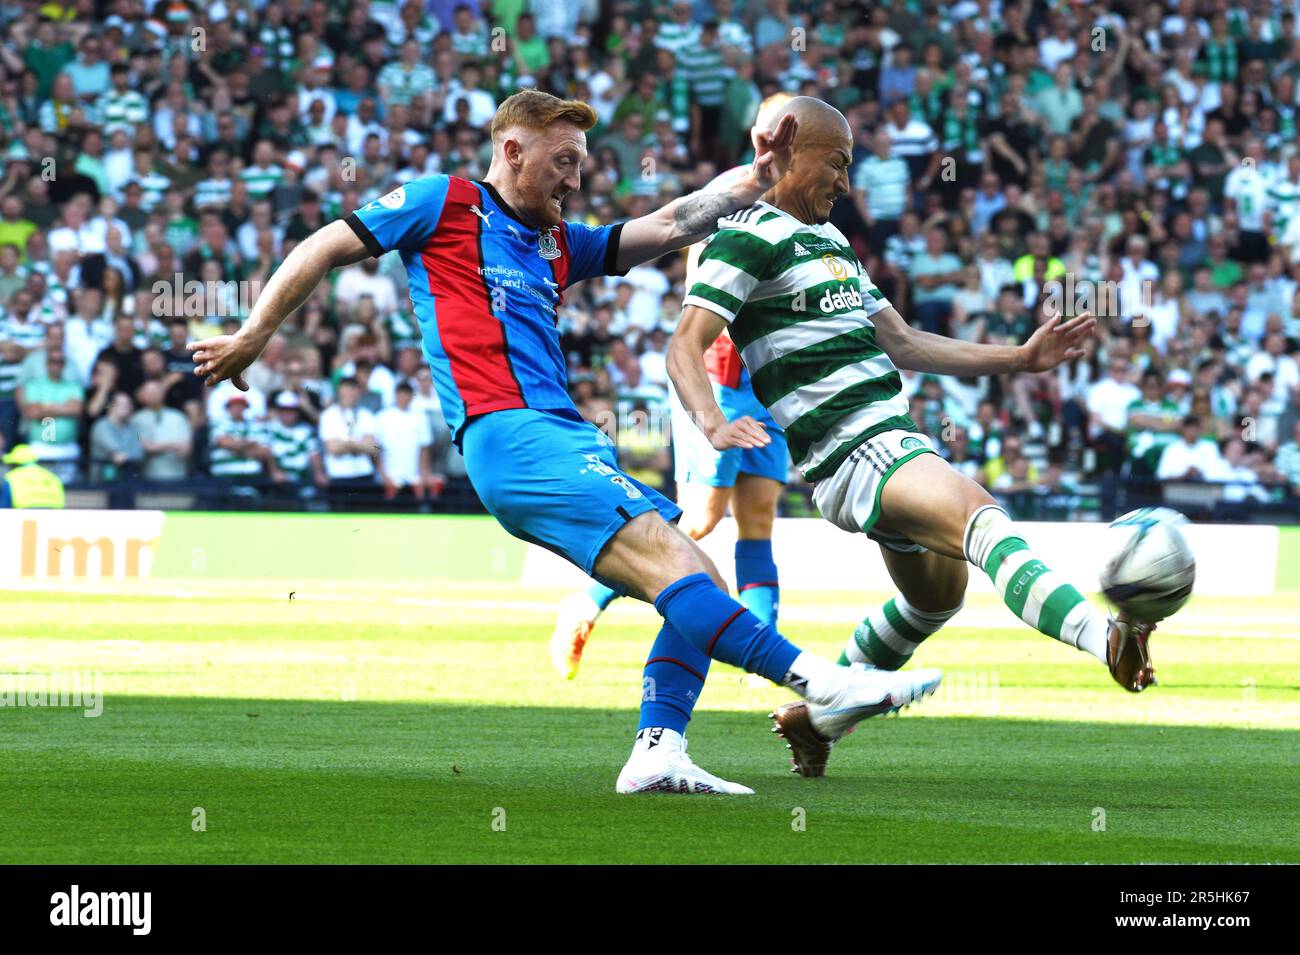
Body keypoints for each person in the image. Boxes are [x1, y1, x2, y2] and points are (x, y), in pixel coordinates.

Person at [190, 89, 942, 796]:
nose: (576, 181)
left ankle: (659, 748)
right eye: (564, 162)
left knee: (694, 568)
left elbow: (678, 222)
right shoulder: (441, 201)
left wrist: (757, 176)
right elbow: (325, 244)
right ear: (513, 149)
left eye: (581, 164)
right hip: (508, 434)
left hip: (557, 434)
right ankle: (823, 682)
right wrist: (254, 334)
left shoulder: (556, 243)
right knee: (683, 559)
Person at [669, 97, 1169, 780]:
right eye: (838, 162)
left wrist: (1017, 359)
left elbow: (902, 340)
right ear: (791, 149)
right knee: (980, 516)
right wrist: (711, 420)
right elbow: (684, 344)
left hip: (883, 437)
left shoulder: (832, 242)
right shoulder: (746, 234)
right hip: (856, 445)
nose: (845, 181)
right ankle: (1103, 635)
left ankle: (816, 717)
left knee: (935, 598)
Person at [550, 93, 796, 681]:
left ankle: (769, 654)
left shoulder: (806, 208)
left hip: (766, 387)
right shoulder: (733, 201)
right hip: (714, 380)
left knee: (760, 515)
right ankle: (587, 601)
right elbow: (704, 292)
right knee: (703, 518)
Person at [0, 443, 64, 508]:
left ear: (15, 464)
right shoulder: (52, 477)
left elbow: (4, 507)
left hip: (23, 515)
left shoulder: (11, 477)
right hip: (53, 515)